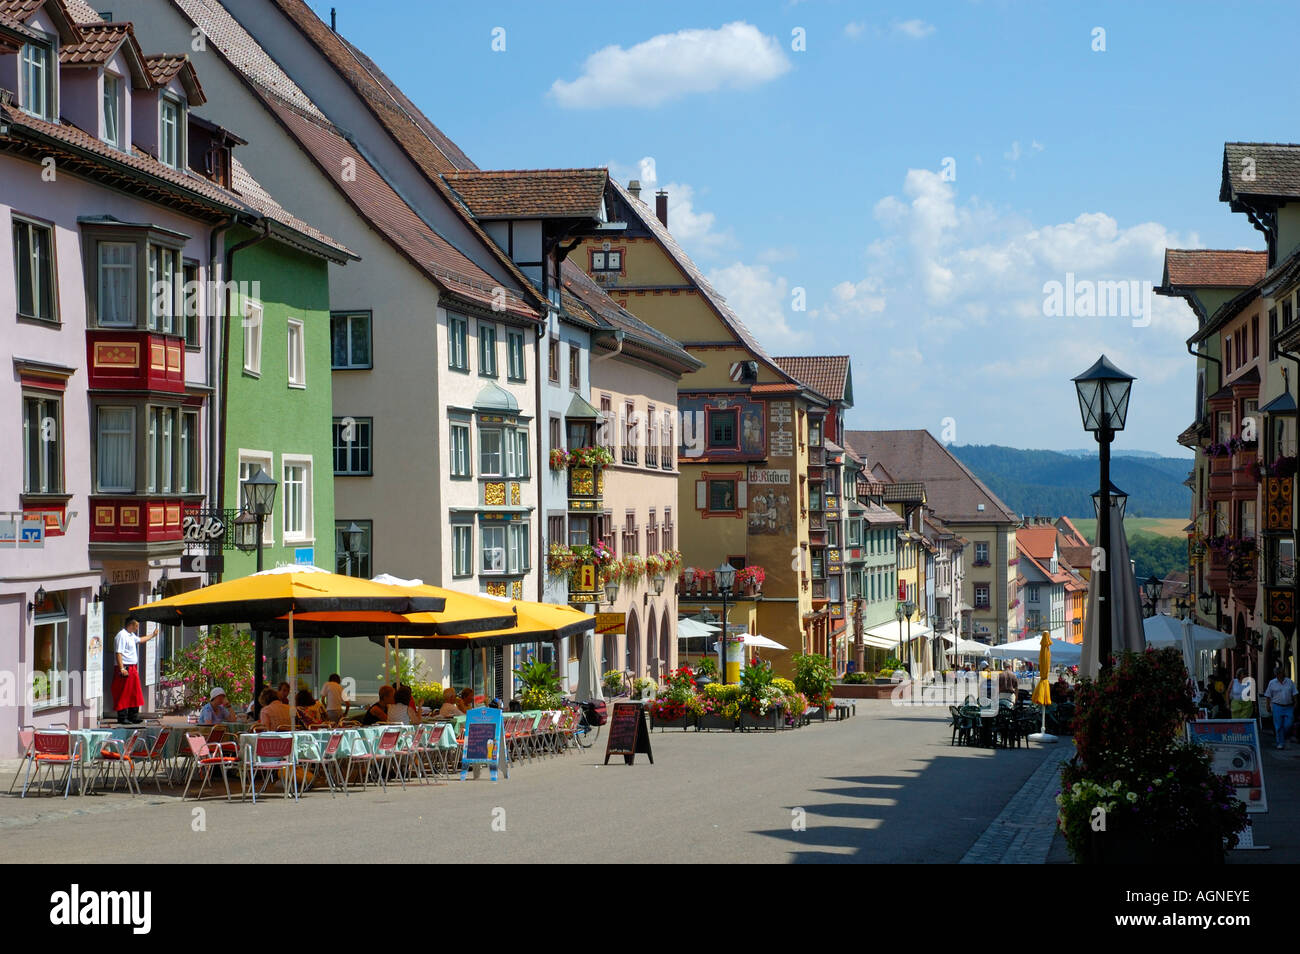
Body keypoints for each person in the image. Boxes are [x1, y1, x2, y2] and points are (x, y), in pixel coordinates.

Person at [112, 615, 158, 724]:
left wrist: (153, 635)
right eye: (136, 626)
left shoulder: (131, 635)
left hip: (133, 667)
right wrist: (122, 668)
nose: (137, 628)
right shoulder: (121, 635)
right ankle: (122, 717)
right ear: (131, 625)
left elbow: (140, 639)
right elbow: (118, 653)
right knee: (123, 693)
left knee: (135, 692)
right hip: (125, 667)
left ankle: (133, 716)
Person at [1263, 666, 1297, 750]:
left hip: (1289, 706)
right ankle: (1280, 743)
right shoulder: (1272, 683)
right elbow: (1268, 695)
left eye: (1281, 673)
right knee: (1278, 726)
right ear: (1276, 674)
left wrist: (1296, 703)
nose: (1279, 675)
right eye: (1278, 673)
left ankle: (1285, 737)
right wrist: (1267, 706)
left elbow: (1295, 693)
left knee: (1288, 725)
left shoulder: (1289, 682)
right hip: (1277, 706)